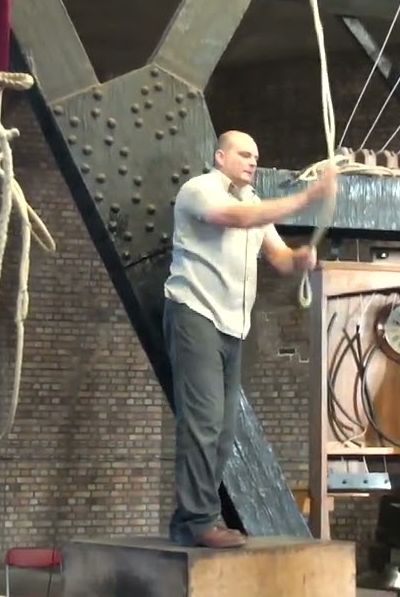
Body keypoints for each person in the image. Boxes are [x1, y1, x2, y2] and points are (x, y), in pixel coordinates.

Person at [162, 130, 336, 549]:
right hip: (195, 315)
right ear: (220, 157)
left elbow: (278, 258)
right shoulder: (199, 191)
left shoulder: (253, 203)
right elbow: (236, 219)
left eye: (256, 156)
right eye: (243, 154)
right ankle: (199, 522)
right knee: (203, 422)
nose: (252, 161)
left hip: (232, 326)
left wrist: (300, 259)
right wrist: (306, 197)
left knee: (224, 430)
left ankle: (191, 521)